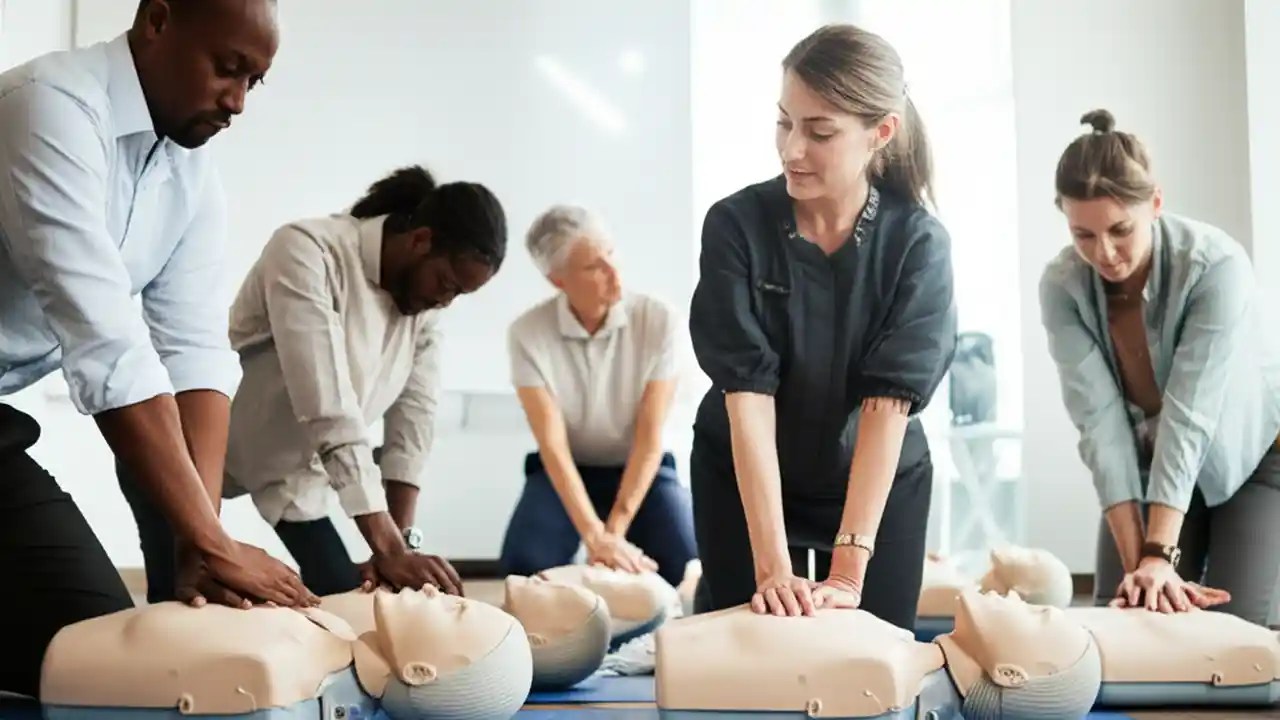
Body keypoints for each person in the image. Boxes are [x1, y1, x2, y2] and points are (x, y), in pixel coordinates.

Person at [0, 0, 316, 700]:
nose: (236, 101)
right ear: (158, 22)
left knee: (94, 650)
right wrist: (210, 537)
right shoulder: (47, 106)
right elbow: (105, 338)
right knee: (88, 661)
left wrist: (196, 545)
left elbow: (196, 355)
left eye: (253, 82)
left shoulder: (188, 179)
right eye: (227, 69)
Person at [117, 165, 508, 600]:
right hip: (176, 453)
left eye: (458, 295)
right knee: (182, 606)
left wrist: (398, 547)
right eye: (446, 283)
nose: (445, 300)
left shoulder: (424, 310)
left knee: (346, 600)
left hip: (287, 476)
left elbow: (411, 430)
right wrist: (388, 545)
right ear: (420, 240)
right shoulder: (308, 251)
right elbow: (327, 405)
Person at [687, 24, 957, 628]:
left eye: (819, 131)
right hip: (745, 474)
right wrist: (772, 568)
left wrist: (848, 570)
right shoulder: (736, 225)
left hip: (874, 482)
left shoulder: (917, 244)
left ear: (879, 133)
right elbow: (747, 396)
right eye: (784, 122)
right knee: (749, 661)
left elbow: (886, 407)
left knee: (870, 666)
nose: (791, 149)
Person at [1040, 109, 1280, 628]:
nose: (1104, 253)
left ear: (1155, 203)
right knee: (1125, 621)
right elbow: (1099, 425)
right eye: (1083, 235)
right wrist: (1143, 568)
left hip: (1255, 459)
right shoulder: (1062, 285)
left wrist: (1158, 554)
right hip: (1154, 462)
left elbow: (1189, 415)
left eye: (1120, 230)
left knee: (1232, 636)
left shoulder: (1216, 266)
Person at [499, 205, 697, 588]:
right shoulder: (527, 333)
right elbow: (552, 446)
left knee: (680, 552)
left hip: (640, 466)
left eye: (611, 253)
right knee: (523, 562)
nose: (613, 271)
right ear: (558, 280)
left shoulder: (659, 321)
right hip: (568, 468)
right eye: (593, 266)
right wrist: (594, 535)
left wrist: (614, 532)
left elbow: (649, 437)